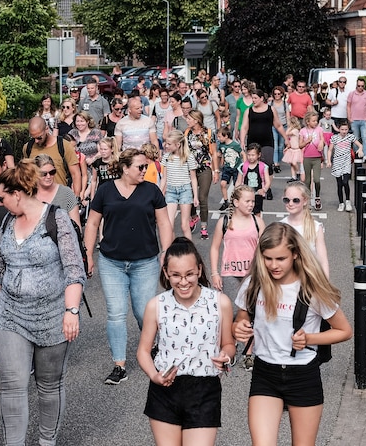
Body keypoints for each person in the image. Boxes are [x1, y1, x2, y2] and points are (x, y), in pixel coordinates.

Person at [0, 160, 85, 446]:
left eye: (2, 198)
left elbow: (74, 270)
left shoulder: (57, 219)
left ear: (17, 193)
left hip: (52, 315)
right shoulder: (7, 221)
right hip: (10, 315)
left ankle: (46, 442)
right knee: (13, 386)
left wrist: (71, 311)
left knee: (49, 386)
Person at [232, 223, 353, 446]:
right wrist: (238, 327)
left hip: (303, 376)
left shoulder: (312, 288)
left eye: (280, 259)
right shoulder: (253, 284)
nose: (273, 265)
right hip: (265, 373)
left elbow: (345, 331)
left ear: (295, 254)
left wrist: (310, 338)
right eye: (268, 258)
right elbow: (241, 318)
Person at [83, 148, 173, 386]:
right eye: (140, 167)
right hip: (112, 261)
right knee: (116, 313)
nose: (145, 170)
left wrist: (167, 253)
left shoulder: (151, 190)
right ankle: (119, 365)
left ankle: (153, 344)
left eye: (146, 167)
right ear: (124, 168)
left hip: (145, 262)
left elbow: (164, 222)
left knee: (144, 312)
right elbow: (92, 223)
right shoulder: (105, 191)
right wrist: (88, 255)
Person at [137, 238, 234, 446]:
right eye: (176, 275)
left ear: (199, 270)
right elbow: (143, 351)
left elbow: (228, 344)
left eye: (189, 274)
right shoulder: (156, 305)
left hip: (204, 388)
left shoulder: (220, 302)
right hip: (165, 389)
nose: (183, 282)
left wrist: (227, 356)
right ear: (166, 273)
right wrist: (154, 376)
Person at [208, 186, 264, 311]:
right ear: (236, 202)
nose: (251, 205)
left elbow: (266, 250)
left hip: (253, 274)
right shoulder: (225, 222)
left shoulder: (258, 222)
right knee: (232, 312)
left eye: (253, 201)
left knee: (252, 311)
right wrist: (214, 273)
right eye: (247, 201)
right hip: (230, 274)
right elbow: (214, 248)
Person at [279, 182, 330, 275]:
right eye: (286, 200)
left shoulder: (316, 227)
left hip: (310, 280)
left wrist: (325, 285)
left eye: (296, 200)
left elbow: (323, 261)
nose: (290, 204)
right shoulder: (280, 226)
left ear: (305, 200)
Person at [161, 130, 200, 241]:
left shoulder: (188, 157)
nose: (166, 146)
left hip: (185, 190)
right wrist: (159, 192)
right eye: (166, 143)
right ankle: (172, 250)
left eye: (169, 144)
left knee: (184, 225)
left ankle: (190, 251)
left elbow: (193, 178)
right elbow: (164, 178)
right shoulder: (166, 157)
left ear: (177, 145)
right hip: (170, 191)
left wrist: (195, 196)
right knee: (169, 225)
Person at [24, 116, 82, 190]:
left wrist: (76, 198)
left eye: (39, 137)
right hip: (36, 197)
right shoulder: (28, 147)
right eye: (33, 137)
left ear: (47, 129)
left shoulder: (64, 145)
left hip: (59, 197)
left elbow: (76, 174)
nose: (36, 141)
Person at [182, 116, 217, 235]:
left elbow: (214, 152)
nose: (187, 121)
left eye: (189, 119)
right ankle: (193, 216)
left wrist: (216, 170)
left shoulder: (208, 132)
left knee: (202, 197)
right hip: (190, 168)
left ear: (196, 120)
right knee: (189, 195)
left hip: (205, 167)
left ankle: (203, 227)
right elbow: (184, 149)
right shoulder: (187, 132)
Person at [240, 87, 284, 176]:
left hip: (267, 141)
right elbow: (244, 127)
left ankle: (267, 187)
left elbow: (278, 125)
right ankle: (255, 185)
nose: (253, 100)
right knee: (253, 165)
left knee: (267, 165)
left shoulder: (271, 109)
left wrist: (286, 138)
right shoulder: (249, 111)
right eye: (252, 98)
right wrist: (242, 141)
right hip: (252, 141)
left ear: (261, 98)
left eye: (255, 98)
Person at [33, 155, 82, 226]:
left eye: (52, 172)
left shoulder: (66, 194)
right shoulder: (29, 194)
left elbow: (76, 226)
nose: (48, 176)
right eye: (44, 174)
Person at [325, 119, 363, 212]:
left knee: (345, 182)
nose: (344, 131)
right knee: (339, 184)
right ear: (339, 129)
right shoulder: (334, 138)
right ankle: (341, 203)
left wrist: (360, 149)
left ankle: (348, 201)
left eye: (346, 129)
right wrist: (329, 160)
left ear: (348, 129)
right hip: (337, 162)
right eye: (342, 129)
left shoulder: (351, 137)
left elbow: (360, 145)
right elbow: (330, 150)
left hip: (346, 162)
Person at [298, 110, 328, 211]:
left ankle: (317, 197)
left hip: (317, 158)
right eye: (313, 121)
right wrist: (307, 141)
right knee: (307, 180)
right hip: (307, 157)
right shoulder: (302, 131)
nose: (315, 122)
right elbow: (300, 145)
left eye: (316, 120)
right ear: (307, 122)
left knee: (316, 179)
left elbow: (322, 140)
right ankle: (307, 200)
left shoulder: (319, 129)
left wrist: (321, 143)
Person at [236, 143, 271, 216]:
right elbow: (238, 181)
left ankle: (257, 226)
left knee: (257, 213)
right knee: (244, 211)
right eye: (248, 155)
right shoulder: (243, 166)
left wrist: (264, 189)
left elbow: (267, 182)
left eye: (253, 155)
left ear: (259, 155)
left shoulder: (263, 167)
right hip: (245, 194)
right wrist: (236, 192)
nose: (250, 157)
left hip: (257, 194)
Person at [216, 126, 243, 212]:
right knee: (223, 184)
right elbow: (221, 153)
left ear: (226, 136)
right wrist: (220, 160)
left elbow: (243, 153)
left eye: (220, 136)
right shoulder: (221, 145)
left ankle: (237, 201)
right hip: (227, 168)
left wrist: (245, 166)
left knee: (237, 187)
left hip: (236, 168)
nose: (218, 138)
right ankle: (226, 201)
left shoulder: (235, 145)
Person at [347, 78, 366, 162]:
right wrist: (349, 117)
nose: (360, 87)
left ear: (364, 86)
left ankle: (365, 155)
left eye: (362, 86)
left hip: (364, 120)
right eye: (359, 86)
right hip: (354, 120)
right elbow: (348, 106)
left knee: (365, 137)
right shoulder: (351, 94)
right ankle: (357, 154)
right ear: (356, 85)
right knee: (356, 138)